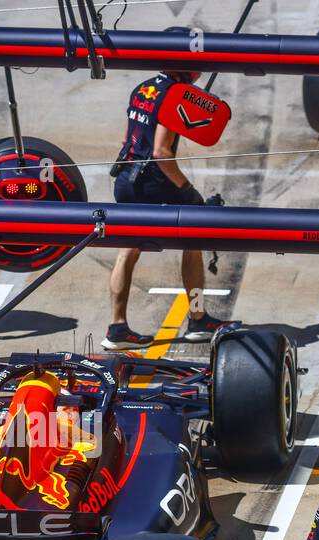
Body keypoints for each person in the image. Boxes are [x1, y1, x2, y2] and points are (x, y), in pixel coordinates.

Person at [106, 38, 226, 350]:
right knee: (195, 237)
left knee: (126, 250)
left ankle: (117, 328)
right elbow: (161, 152)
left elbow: (126, 138)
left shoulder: (142, 88)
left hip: (125, 179)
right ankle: (198, 319)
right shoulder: (174, 96)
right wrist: (187, 190)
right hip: (155, 181)